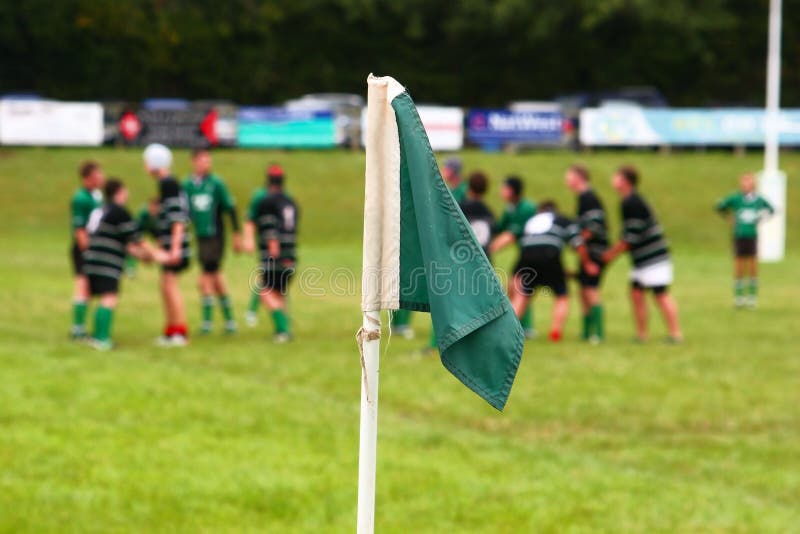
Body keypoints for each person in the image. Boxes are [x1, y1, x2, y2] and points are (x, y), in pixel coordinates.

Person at [490, 200, 598, 342]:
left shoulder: (531, 221)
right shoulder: (561, 219)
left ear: (540, 210)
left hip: (526, 256)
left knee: (522, 295)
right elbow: (577, 242)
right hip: (550, 254)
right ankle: (555, 331)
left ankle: (507, 330)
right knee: (562, 296)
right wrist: (588, 263)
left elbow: (520, 241)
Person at [82, 179, 168, 350]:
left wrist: (144, 257)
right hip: (106, 261)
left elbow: (127, 245)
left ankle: (97, 337)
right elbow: (138, 240)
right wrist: (159, 255)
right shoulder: (120, 212)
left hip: (93, 259)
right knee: (109, 297)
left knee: (104, 298)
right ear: (119, 192)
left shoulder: (104, 210)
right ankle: (102, 339)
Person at [603, 165, 683, 343]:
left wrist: (610, 254)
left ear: (624, 181)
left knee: (661, 294)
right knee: (636, 294)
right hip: (641, 260)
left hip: (653, 257)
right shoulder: (627, 200)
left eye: (616, 176)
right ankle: (641, 334)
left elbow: (631, 236)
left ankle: (676, 334)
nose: (613, 179)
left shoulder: (632, 202)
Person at [183, 148, 242, 334]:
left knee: (206, 276)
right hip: (200, 236)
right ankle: (229, 320)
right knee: (215, 276)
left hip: (215, 235)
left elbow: (230, 208)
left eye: (208, 161)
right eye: (203, 161)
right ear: (194, 162)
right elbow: (186, 212)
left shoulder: (216, 183)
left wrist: (236, 233)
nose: (206, 164)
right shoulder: (188, 185)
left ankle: (208, 322)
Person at [143, 143, 192, 346]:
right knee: (165, 286)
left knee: (171, 287)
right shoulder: (166, 184)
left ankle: (180, 331)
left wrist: (175, 248)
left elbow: (178, 218)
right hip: (170, 243)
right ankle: (171, 330)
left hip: (175, 244)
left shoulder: (168, 184)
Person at [244, 164, 299, 343]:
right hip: (291, 250)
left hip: (275, 253)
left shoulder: (266, 201)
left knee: (266, 291)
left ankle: (283, 330)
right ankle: (282, 330)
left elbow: (269, 228)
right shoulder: (290, 201)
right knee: (279, 292)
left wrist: (274, 251)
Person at [716, 173, 774, 308]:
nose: (745, 185)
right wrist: (729, 218)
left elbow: (771, 209)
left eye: (748, 182)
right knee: (738, 267)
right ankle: (739, 298)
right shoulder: (736, 198)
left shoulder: (759, 200)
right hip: (739, 235)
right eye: (743, 182)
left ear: (753, 184)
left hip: (752, 235)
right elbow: (720, 206)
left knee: (753, 266)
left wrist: (761, 218)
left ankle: (752, 297)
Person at [565, 164, 609, 343]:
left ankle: (597, 333)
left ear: (579, 177)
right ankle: (586, 332)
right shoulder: (582, 198)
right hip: (586, 252)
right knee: (583, 290)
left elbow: (595, 226)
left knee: (591, 290)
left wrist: (579, 240)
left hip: (594, 252)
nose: (566, 180)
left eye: (569, 176)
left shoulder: (589, 198)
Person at [493, 176, 538, 338]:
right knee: (516, 288)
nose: (501, 191)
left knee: (519, 287)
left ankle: (525, 328)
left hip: (536, 252)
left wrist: (488, 249)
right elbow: (499, 229)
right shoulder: (510, 208)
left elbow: (511, 234)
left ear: (512, 190)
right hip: (526, 252)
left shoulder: (526, 208)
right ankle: (524, 327)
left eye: (504, 187)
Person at [69, 160, 105, 339]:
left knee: (89, 288)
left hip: (95, 247)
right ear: (88, 178)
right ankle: (77, 328)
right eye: (98, 175)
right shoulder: (80, 198)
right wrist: (87, 250)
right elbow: (80, 229)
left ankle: (82, 326)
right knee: (82, 285)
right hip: (85, 248)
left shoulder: (97, 196)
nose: (101, 178)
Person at [243, 169, 272, 327]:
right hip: (265, 243)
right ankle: (252, 311)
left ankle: (253, 311)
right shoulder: (260, 196)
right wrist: (248, 239)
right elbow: (250, 217)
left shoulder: (281, 195)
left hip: (278, 243)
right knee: (266, 277)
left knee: (277, 278)